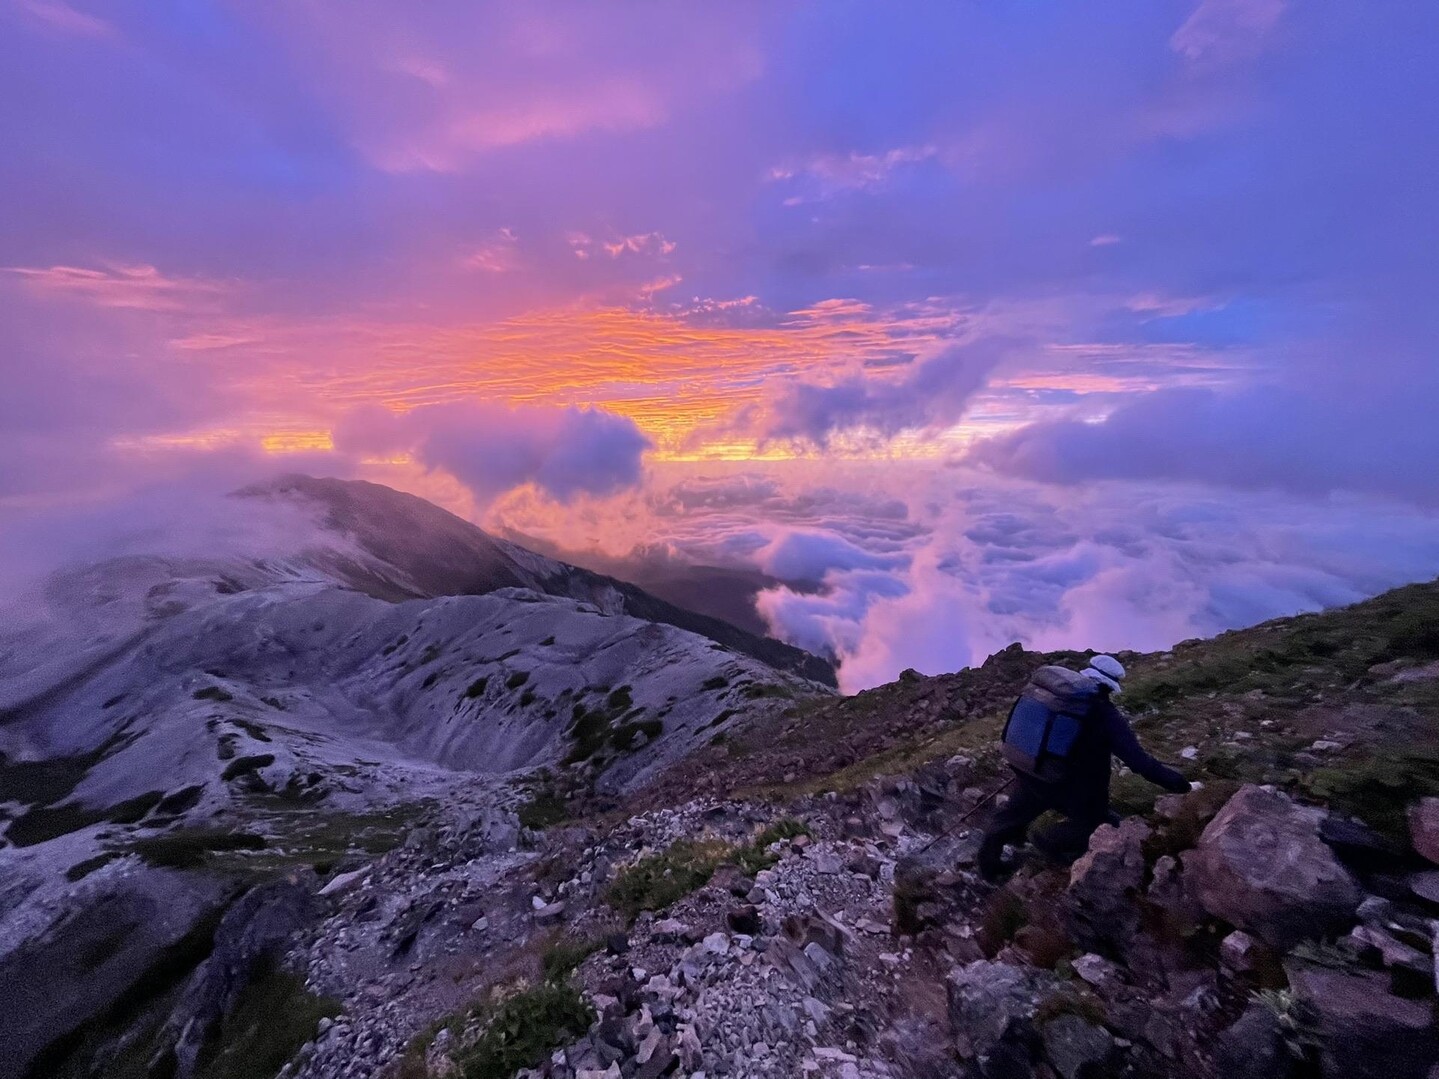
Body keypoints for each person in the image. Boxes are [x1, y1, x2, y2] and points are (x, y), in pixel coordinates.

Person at [977, 654, 1190, 881]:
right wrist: (1180, 784)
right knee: (1101, 824)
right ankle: (1048, 840)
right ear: (1110, 686)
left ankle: (988, 868)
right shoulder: (1104, 715)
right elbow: (1139, 762)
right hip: (1069, 785)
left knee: (1009, 816)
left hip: (1032, 769)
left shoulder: (1056, 697)